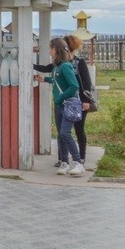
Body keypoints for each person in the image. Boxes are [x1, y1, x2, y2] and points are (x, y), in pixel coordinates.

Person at [38, 38, 84, 174]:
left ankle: (78, 162)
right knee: (60, 135)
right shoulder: (57, 66)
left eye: (50, 48)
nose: (49, 51)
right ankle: (64, 162)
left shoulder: (65, 66)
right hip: (59, 105)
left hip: (68, 105)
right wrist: (45, 79)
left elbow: (74, 86)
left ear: (55, 50)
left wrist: (61, 97)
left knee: (65, 133)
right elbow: (57, 80)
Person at [63, 33, 96, 162]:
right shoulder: (61, 63)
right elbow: (48, 68)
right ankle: (64, 158)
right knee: (65, 131)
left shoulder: (79, 63)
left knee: (79, 129)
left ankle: (81, 157)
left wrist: (86, 101)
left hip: (81, 101)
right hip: (67, 101)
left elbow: (87, 82)